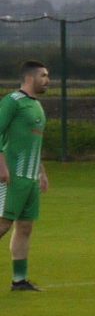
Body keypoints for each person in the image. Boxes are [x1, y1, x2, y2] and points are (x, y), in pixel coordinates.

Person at [0, 62, 51, 291]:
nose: (47, 79)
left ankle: (19, 281)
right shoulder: (13, 101)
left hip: (30, 178)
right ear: (30, 78)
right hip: (12, 175)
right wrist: (1, 166)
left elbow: (34, 143)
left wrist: (42, 172)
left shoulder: (36, 106)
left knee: (25, 227)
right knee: (2, 225)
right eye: (43, 75)